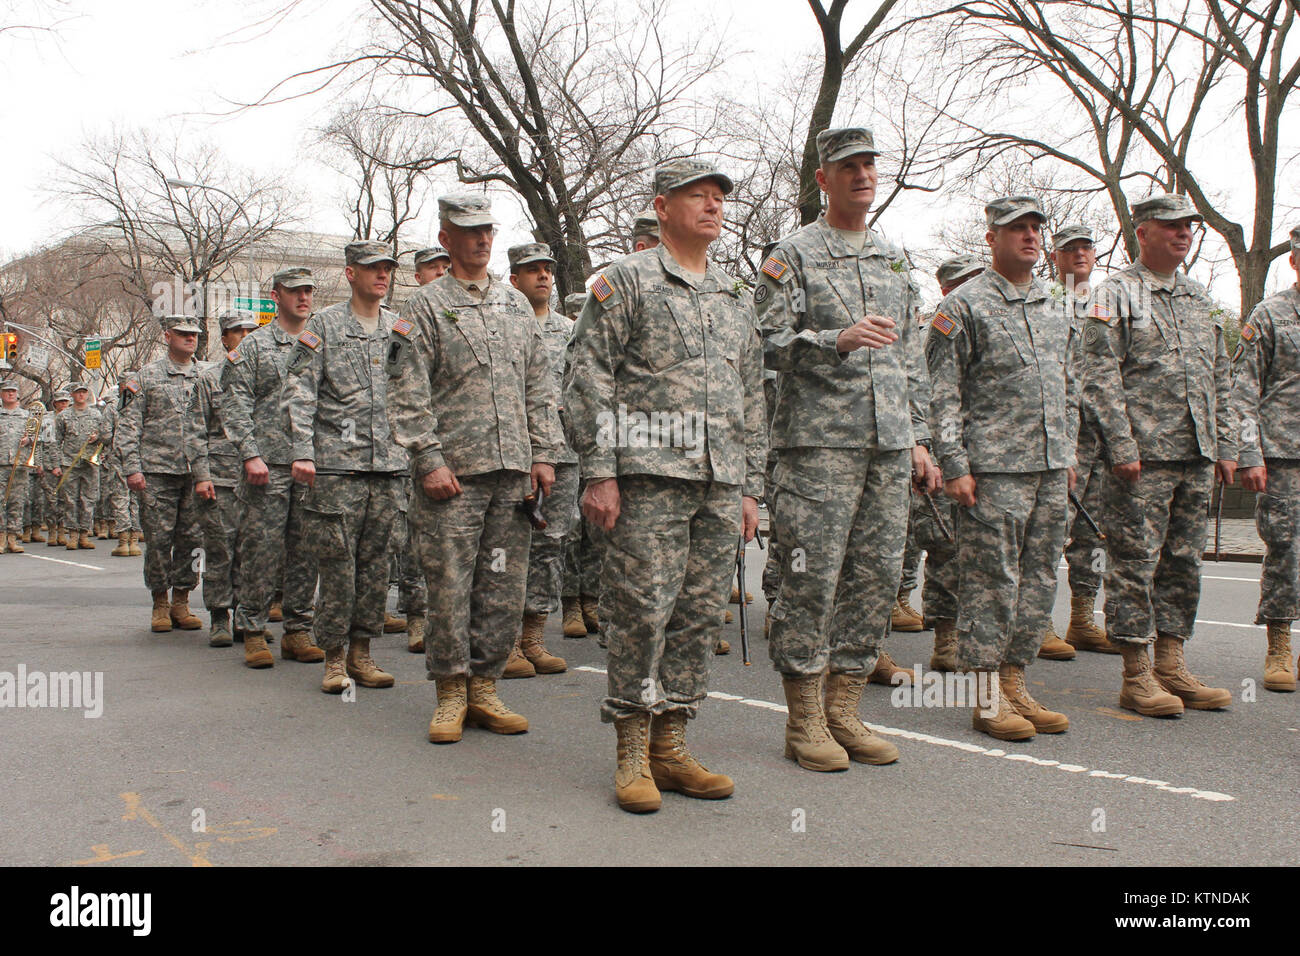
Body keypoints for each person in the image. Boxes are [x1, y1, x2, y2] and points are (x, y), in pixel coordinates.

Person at [566, 159, 766, 813]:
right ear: (661, 206)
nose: (712, 206)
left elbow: (750, 396)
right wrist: (599, 472)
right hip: (646, 478)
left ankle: (671, 746)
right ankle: (630, 750)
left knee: (698, 614)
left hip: (717, 480)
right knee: (639, 614)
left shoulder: (735, 296)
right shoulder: (623, 282)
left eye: (719, 198)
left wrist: (748, 486)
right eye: (697, 197)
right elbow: (589, 376)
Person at [755, 127, 938, 772]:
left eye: (869, 164)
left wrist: (918, 437)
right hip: (818, 447)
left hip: (887, 447)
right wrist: (834, 338)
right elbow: (766, 339)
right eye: (848, 166)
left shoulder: (894, 257)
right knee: (810, 579)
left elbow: (913, 353)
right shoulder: (794, 254)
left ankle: (845, 708)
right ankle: (804, 718)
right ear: (823, 179)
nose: (862, 174)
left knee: (875, 578)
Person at [387, 194, 560, 743]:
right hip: (454, 477)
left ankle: (485, 687)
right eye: (468, 231)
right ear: (446, 240)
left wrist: (543, 454)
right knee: (450, 587)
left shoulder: (514, 307)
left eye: (487, 230)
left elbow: (539, 386)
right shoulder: (423, 308)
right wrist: (428, 459)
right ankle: (449, 692)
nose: (482, 240)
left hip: (512, 473)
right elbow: (407, 392)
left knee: (503, 587)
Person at [927, 195, 1078, 741]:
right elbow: (940, 393)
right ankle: (985, 694)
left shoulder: (1055, 302)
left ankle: (1015, 680)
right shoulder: (962, 306)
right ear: (991, 237)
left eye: (1037, 227)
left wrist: (1070, 451)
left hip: (1048, 465)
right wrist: (954, 464)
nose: (1031, 236)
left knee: (1038, 579)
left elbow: (1070, 383)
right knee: (992, 582)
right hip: (991, 470)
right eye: (1018, 229)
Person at [1085, 193, 1236, 716]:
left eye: (1188, 225)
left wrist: (1226, 446)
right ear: (1142, 231)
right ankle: (1136, 673)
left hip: (1195, 454)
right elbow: (1098, 375)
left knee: (1182, 562)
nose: (1183, 233)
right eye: (1170, 225)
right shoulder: (1115, 294)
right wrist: (1121, 445)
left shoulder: (1197, 297)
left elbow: (1221, 375)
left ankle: (1172, 662)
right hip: (1141, 459)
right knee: (1134, 562)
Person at [283, 243, 409, 693]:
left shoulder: (400, 328)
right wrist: (303, 450)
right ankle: (333, 658)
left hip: (390, 467)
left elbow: (414, 393)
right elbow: (299, 388)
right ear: (351, 273)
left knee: (377, 567)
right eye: (373, 269)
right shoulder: (322, 326)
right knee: (338, 567)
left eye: (388, 269)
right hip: (338, 469)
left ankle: (363, 654)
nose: (382, 276)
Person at [222, 269, 324, 668]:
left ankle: (298, 630)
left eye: (309, 291)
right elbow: (235, 402)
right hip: (268, 465)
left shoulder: (320, 342)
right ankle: (253, 628)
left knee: (306, 550)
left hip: (312, 464)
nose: (304, 298)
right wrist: (250, 454)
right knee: (261, 550)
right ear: (276, 296)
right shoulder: (255, 346)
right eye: (295, 291)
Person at [1229, 224, 1300, 692]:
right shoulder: (1271, 313)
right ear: (1294, 261)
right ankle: (1279, 644)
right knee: (1286, 549)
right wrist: (1249, 452)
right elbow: (1242, 389)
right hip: (1285, 455)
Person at [908, 253, 984, 672]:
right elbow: (934, 394)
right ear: (945, 288)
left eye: (977, 277)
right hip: (944, 448)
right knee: (945, 548)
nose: (971, 285)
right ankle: (947, 637)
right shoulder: (943, 324)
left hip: (992, 449)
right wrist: (933, 453)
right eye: (963, 280)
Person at [1047, 224, 1119, 657]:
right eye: (1069, 249)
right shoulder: (1044, 302)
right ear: (1055, 258)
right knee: (1051, 529)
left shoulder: (1112, 303)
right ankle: (1037, 622)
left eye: (1085, 247)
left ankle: (1081, 618)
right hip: (1061, 431)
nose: (1079, 254)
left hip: (1101, 433)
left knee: (1095, 532)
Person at [504, 241, 575, 678]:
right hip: (517, 451)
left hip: (562, 452)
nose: (544, 277)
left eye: (547, 269)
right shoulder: (504, 324)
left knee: (551, 545)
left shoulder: (569, 329)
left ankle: (534, 636)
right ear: (515, 279)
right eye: (533, 271)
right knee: (512, 546)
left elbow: (584, 380)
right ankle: (507, 639)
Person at [116, 315, 207, 633]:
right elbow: (128, 425)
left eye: (194, 334)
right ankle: (160, 602)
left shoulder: (206, 375)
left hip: (196, 472)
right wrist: (132, 468)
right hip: (156, 472)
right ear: (167, 336)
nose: (190, 339)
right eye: (182, 334)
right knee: (158, 539)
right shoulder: (144, 376)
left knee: (192, 540)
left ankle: (182, 601)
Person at [189, 309, 259, 649]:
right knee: (220, 549)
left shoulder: (267, 375)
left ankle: (248, 617)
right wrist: (201, 475)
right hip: (220, 476)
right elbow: (194, 431)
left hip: (257, 478)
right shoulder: (210, 379)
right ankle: (219, 615)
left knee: (254, 550)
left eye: (250, 331)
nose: (244, 337)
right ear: (224, 339)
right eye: (237, 332)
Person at [54, 382, 104, 550]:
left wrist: (98, 437)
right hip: (70, 462)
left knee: (89, 499)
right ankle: (72, 534)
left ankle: (84, 533)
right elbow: (56, 441)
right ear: (72, 395)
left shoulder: (97, 415)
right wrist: (57, 464)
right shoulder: (63, 416)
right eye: (78, 393)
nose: (81, 395)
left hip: (90, 463)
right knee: (69, 500)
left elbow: (106, 436)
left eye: (84, 392)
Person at [0, 380, 36, 553]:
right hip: (1, 463)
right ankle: (1, 538)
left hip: (19, 464)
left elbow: (36, 438)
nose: (10, 394)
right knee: (0, 502)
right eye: (7, 391)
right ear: (1, 394)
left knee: (17, 501)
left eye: (13, 391)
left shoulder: (26, 415)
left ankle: (13, 538)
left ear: (17, 394)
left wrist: (28, 440)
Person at [38, 390, 69, 547]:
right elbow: (39, 443)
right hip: (49, 465)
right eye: (60, 401)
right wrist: (39, 463)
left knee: (65, 499)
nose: (63, 404)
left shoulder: (71, 416)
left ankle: (62, 530)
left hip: (68, 464)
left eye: (65, 401)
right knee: (51, 499)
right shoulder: (46, 420)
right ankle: (52, 530)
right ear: (54, 403)